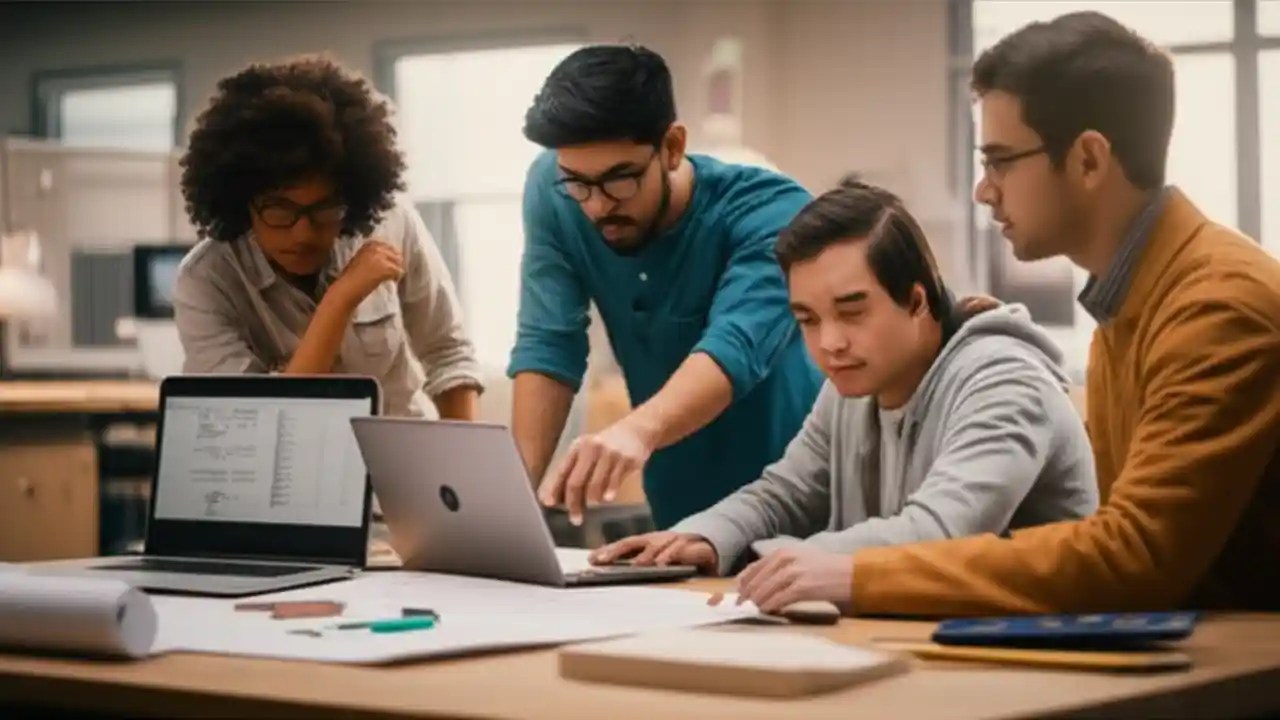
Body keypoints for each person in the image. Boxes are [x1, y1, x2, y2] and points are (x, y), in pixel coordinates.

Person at [735, 11, 1280, 616]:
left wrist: (855, 575)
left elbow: (1136, 554)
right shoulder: (1133, 300)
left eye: (1000, 161)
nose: (983, 189)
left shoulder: (1216, 305)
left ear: (1089, 160)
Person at [590, 181, 1098, 576]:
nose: (829, 342)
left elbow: (941, 534)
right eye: (807, 319)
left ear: (917, 301)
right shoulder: (850, 386)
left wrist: (763, 555)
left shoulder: (1003, 381)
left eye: (852, 312)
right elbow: (784, 493)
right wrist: (702, 538)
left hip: (1046, 669)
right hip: (925, 643)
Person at [510, 44, 823, 529]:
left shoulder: (772, 210)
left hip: (796, 500)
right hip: (679, 509)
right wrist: (511, 499)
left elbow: (735, 346)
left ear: (672, 147)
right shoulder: (552, 192)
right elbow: (548, 341)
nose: (595, 206)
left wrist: (635, 430)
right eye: (577, 182)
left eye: (620, 179)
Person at [174, 55, 482, 419]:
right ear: (242, 205)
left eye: (324, 208)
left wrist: (461, 466)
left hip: (404, 456)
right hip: (289, 471)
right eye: (279, 209)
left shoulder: (391, 222)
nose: (304, 232)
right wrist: (340, 299)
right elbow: (268, 420)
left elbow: (448, 354)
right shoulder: (205, 282)